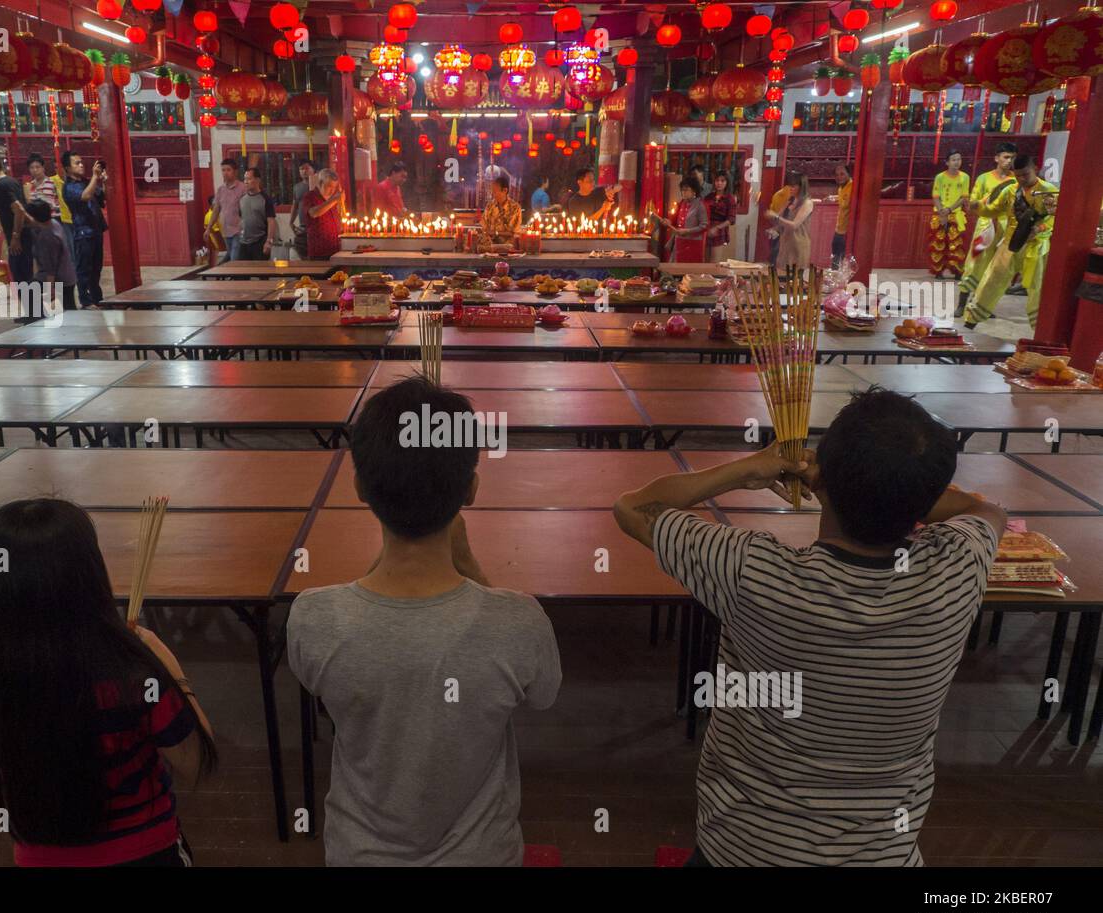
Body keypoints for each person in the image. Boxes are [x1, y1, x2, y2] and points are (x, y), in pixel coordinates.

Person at [614, 388, 1005, 866]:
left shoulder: (752, 570)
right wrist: (907, 490)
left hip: (744, 850)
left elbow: (634, 508)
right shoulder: (958, 570)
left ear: (821, 479)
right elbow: (986, 510)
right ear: (926, 501)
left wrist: (747, 468)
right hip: (882, 857)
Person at [287, 377, 562, 866]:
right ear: (471, 489)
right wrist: (468, 561)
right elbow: (544, 695)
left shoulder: (313, 617)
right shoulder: (519, 622)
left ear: (359, 488)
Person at [0, 498, 217, 867]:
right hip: (146, 855)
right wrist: (168, 667)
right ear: (88, 577)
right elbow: (197, 765)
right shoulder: (134, 679)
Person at [960, 154, 1056, 330]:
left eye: (1025, 174)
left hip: (1036, 246)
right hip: (1010, 243)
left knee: (1037, 288)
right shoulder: (1010, 190)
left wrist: (1038, 229)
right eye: (1017, 175)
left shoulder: (1048, 190)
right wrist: (977, 208)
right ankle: (971, 321)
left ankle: (1040, 329)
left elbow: (1053, 219)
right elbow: (993, 210)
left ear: (1035, 169)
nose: (1021, 179)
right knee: (992, 280)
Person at [954, 142, 1017, 319]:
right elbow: (974, 203)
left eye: (1012, 158)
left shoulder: (1016, 180)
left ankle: (981, 305)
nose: (1009, 161)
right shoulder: (984, 179)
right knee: (974, 263)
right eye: (1006, 157)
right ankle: (961, 304)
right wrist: (986, 201)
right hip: (986, 225)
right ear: (996, 158)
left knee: (996, 268)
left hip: (1006, 227)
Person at [0, 153, 35, 322]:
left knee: (21, 275)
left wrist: (15, 236)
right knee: (24, 274)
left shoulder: (1, 186)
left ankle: (34, 314)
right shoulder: (11, 181)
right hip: (23, 234)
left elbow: (18, 209)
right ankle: (33, 312)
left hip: (20, 237)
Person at [60, 150, 107, 309]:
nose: (81, 165)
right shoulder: (68, 187)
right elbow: (85, 196)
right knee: (84, 268)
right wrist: (95, 177)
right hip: (83, 232)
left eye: (81, 162)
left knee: (96, 268)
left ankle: (97, 298)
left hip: (96, 230)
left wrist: (103, 180)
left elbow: (102, 197)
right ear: (67, 168)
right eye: (77, 163)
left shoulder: (87, 181)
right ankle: (85, 301)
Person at [25, 201, 76, 314]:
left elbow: (51, 268)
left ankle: (35, 321)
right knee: (69, 309)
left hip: (60, 279)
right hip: (68, 275)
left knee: (28, 290)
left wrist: (50, 289)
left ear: (35, 217)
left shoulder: (47, 237)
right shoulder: (54, 223)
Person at [929, 151, 970, 279]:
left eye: (959, 159)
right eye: (953, 159)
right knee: (938, 242)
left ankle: (957, 270)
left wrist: (949, 210)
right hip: (940, 213)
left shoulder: (965, 177)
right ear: (947, 162)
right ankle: (938, 271)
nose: (957, 162)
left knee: (956, 243)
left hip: (955, 213)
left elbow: (964, 197)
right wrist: (942, 211)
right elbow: (935, 196)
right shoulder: (940, 177)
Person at [767, 173, 814, 270]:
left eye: (793, 186)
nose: (790, 189)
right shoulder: (790, 200)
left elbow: (794, 225)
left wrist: (775, 216)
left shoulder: (807, 203)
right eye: (790, 186)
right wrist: (773, 222)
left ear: (801, 187)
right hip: (786, 243)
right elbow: (779, 219)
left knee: (795, 277)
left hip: (798, 244)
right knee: (780, 274)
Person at [236, 167, 278, 261]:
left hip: (260, 242)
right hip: (244, 242)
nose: (246, 182)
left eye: (249, 179)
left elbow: (271, 221)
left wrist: (269, 241)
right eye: (245, 179)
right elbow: (240, 219)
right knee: (240, 273)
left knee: (262, 272)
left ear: (258, 180)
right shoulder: (242, 199)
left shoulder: (265, 199)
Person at [663, 177, 708, 263]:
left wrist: (687, 231)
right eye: (682, 190)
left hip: (693, 243)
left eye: (686, 190)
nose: (683, 192)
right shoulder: (682, 203)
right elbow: (675, 220)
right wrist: (668, 222)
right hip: (680, 241)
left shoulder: (700, 205)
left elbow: (704, 226)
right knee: (676, 267)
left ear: (694, 191)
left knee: (690, 271)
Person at [305, 167, 344, 260]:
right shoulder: (310, 196)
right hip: (319, 253)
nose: (332, 190)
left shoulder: (333, 199)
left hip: (336, 250)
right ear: (320, 183)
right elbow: (314, 213)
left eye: (334, 187)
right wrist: (333, 200)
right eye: (329, 186)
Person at [212, 158, 245, 263]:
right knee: (231, 255)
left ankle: (233, 277)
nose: (225, 173)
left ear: (235, 172)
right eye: (223, 170)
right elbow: (216, 209)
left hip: (238, 230)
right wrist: (208, 228)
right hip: (225, 231)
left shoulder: (243, 188)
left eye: (228, 170)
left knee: (234, 258)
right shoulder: (220, 189)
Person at [765, 170, 800, 267]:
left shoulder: (778, 195)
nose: (791, 189)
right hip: (786, 233)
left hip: (787, 233)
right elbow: (779, 215)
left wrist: (775, 220)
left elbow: (775, 216)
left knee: (777, 258)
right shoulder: (793, 198)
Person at [479, 173, 522, 251]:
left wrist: (496, 233)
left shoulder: (515, 208)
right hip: (490, 247)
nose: (493, 194)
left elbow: (514, 232)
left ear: (505, 190)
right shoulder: (490, 206)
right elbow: (485, 228)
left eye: (495, 191)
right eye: (492, 191)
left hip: (509, 248)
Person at [703, 172, 737, 263]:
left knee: (714, 262)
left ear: (727, 183)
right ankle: (705, 277)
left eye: (722, 181)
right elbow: (703, 212)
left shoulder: (730, 198)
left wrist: (717, 228)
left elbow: (731, 219)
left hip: (719, 231)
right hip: (707, 229)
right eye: (717, 180)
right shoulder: (709, 197)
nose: (719, 183)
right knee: (705, 261)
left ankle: (712, 277)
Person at [289, 160, 315, 259]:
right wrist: (291, 222)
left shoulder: (319, 185)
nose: (304, 171)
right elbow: (295, 205)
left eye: (307, 168)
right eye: (301, 169)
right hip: (302, 227)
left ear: (313, 169)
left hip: (316, 227)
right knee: (302, 255)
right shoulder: (297, 187)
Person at [829, 163, 853, 268]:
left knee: (842, 258)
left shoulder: (853, 187)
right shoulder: (841, 188)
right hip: (839, 228)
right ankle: (835, 276)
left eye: (842, 174)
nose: (839, 177)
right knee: (835, 254)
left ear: (849, 174)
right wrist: (835, 198)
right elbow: (843, 199)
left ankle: (839, 279)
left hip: (847, 230)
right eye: (837, 174)